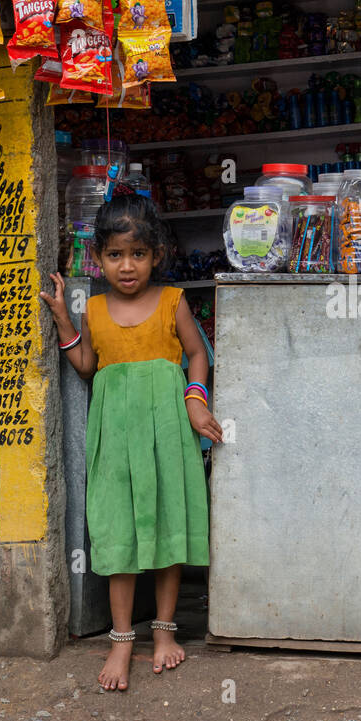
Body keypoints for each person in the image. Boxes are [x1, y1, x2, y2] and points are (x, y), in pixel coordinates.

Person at [39, 192, 223, 692]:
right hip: (114, 441)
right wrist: (62, 320)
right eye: (116, 255)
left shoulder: (173, 302)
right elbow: (86, 368)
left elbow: (197, 355)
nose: (127, 266)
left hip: (166, 435)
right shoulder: (94, 311)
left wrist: (194, 399)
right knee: (118, 533)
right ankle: (122, 640)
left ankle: (164, 633)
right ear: (97, 258)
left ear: (157, 255)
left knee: (166, 528)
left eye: (138, 254)